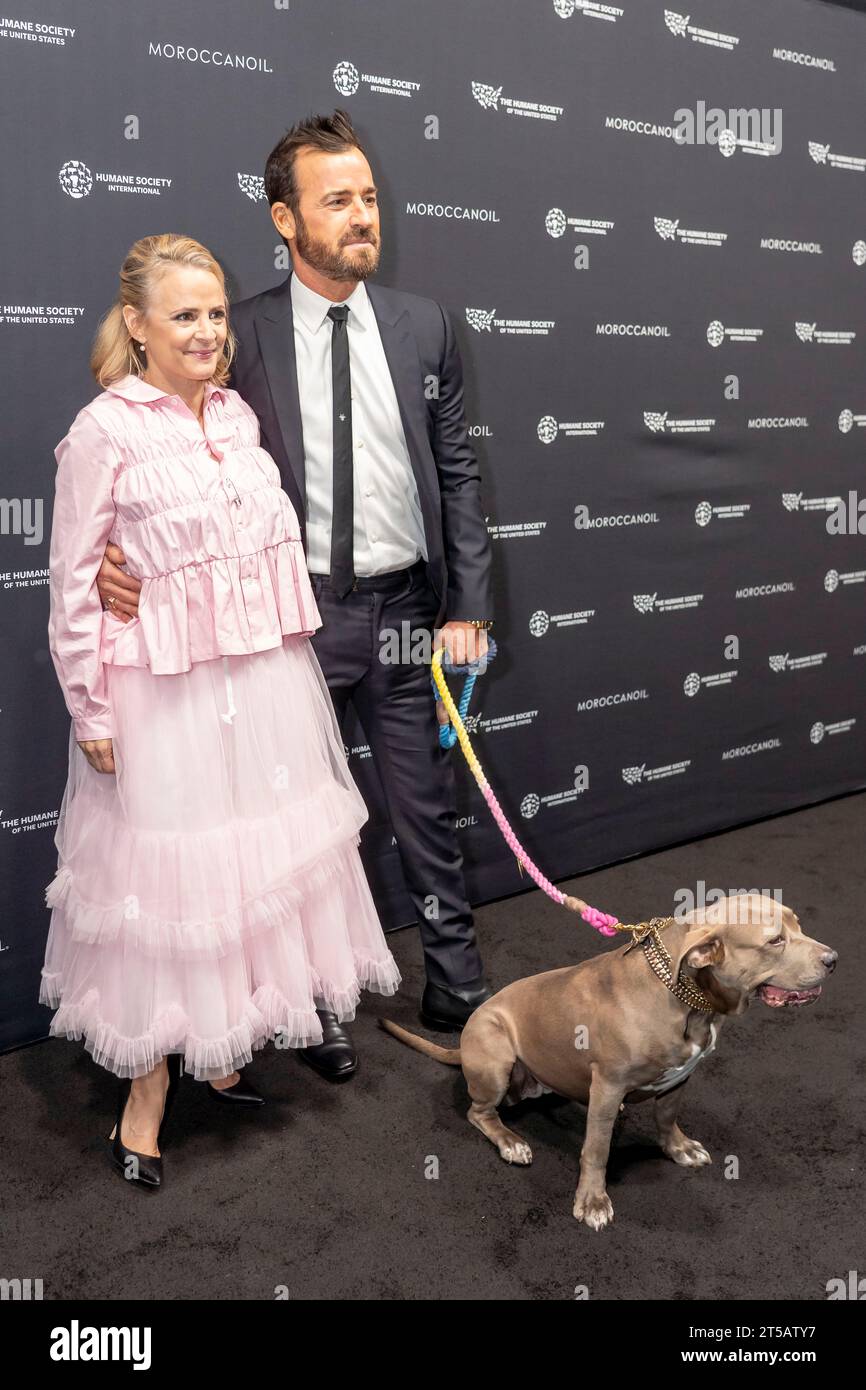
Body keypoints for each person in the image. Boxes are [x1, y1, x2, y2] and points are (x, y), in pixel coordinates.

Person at [96, 110, 498, 1072]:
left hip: (405, 612)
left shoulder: (426, 325)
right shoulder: (247, 336)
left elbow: (458, 476)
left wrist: (468, 607)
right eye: (338, 202)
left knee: (425, 811)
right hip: (287, 621)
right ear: (285, 219)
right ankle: (310, 1013)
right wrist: (125, 558)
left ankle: (462, 992)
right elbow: (178, 458)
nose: (364, 216)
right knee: (291, 830)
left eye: (368, 198)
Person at [41, 233, 401, 1188]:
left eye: (214, 313)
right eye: (183, 315)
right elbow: (74, 586)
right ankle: (147, 1097)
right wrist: (92, 712)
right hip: (160, 695)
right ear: (137, 325)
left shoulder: (239, 419)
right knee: (171, 892)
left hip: (261, 684)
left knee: (257, 865)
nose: (207, 333)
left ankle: (239, 1044)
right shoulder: (104, 432)